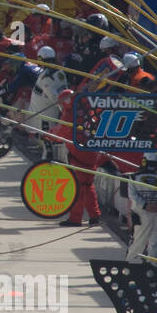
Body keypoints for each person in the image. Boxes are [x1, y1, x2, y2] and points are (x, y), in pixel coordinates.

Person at [55, 90, 102, 227]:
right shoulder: (88, 111)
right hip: (92, 153)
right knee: (88, 186)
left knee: (78, 187)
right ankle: (94, 215)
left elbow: (60, 133)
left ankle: (75, 219)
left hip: (79, 156)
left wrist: (47, 135)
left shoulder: (70, 115)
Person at [128, 153, 157, 263]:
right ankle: (152, 269)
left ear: (144, 162)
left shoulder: (134, 177)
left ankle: (131, 267)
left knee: (137, 243)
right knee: (156, 245)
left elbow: (132, 195)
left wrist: (144, 205)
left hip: (141, 215)